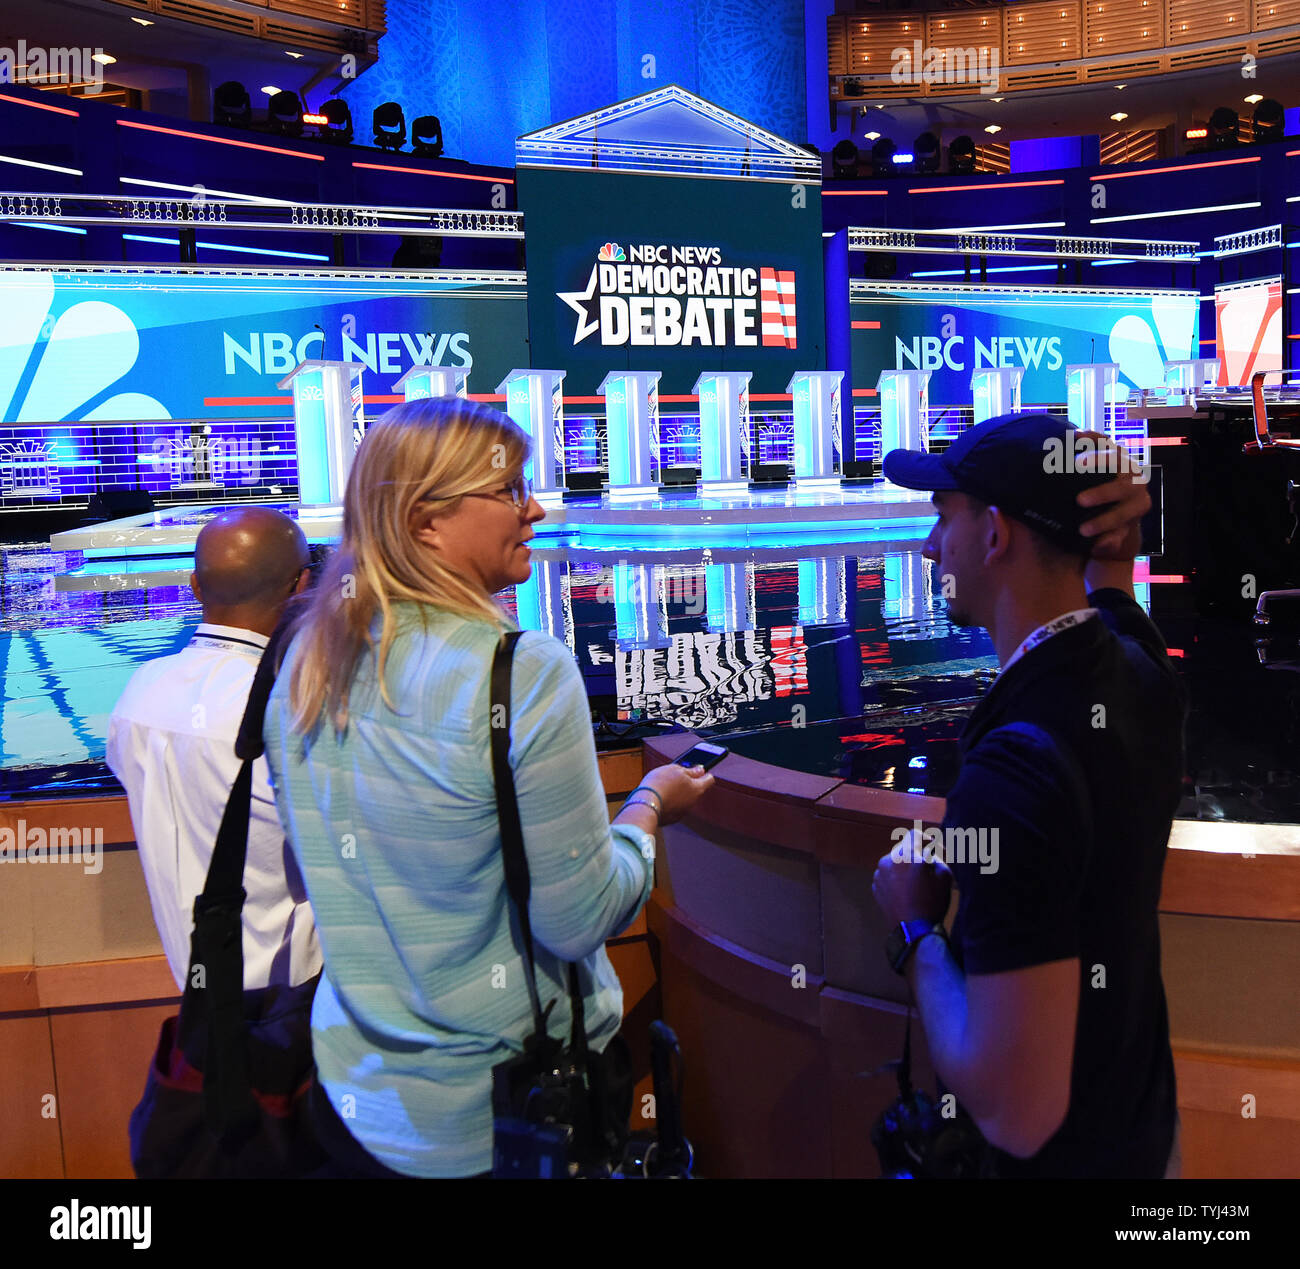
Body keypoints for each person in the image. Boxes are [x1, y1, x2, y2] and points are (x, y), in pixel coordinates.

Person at [263, 396, 713, 1178]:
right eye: (507, 491)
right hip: (495, 1123)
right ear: (424, 521)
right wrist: (647, 809)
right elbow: (577, 919)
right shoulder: (525, 673)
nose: (533, 506)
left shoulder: (302, 663)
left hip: (351, 1104)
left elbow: (321, 867)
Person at [871, 413, 1187, 1179]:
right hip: (1145, 1144)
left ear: (995, 535)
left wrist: (915, 929)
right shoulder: (1142, 673)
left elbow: (1017, 1111)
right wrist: (1114, 539)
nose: (927, 546)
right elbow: (1109, 595)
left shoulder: (1011, 778)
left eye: (944, 516)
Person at [107, 506, 321, 992]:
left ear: (195, 586)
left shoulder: (140, 691)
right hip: (298, 998)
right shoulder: (296, 705)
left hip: (200, 997)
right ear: (301, 586)